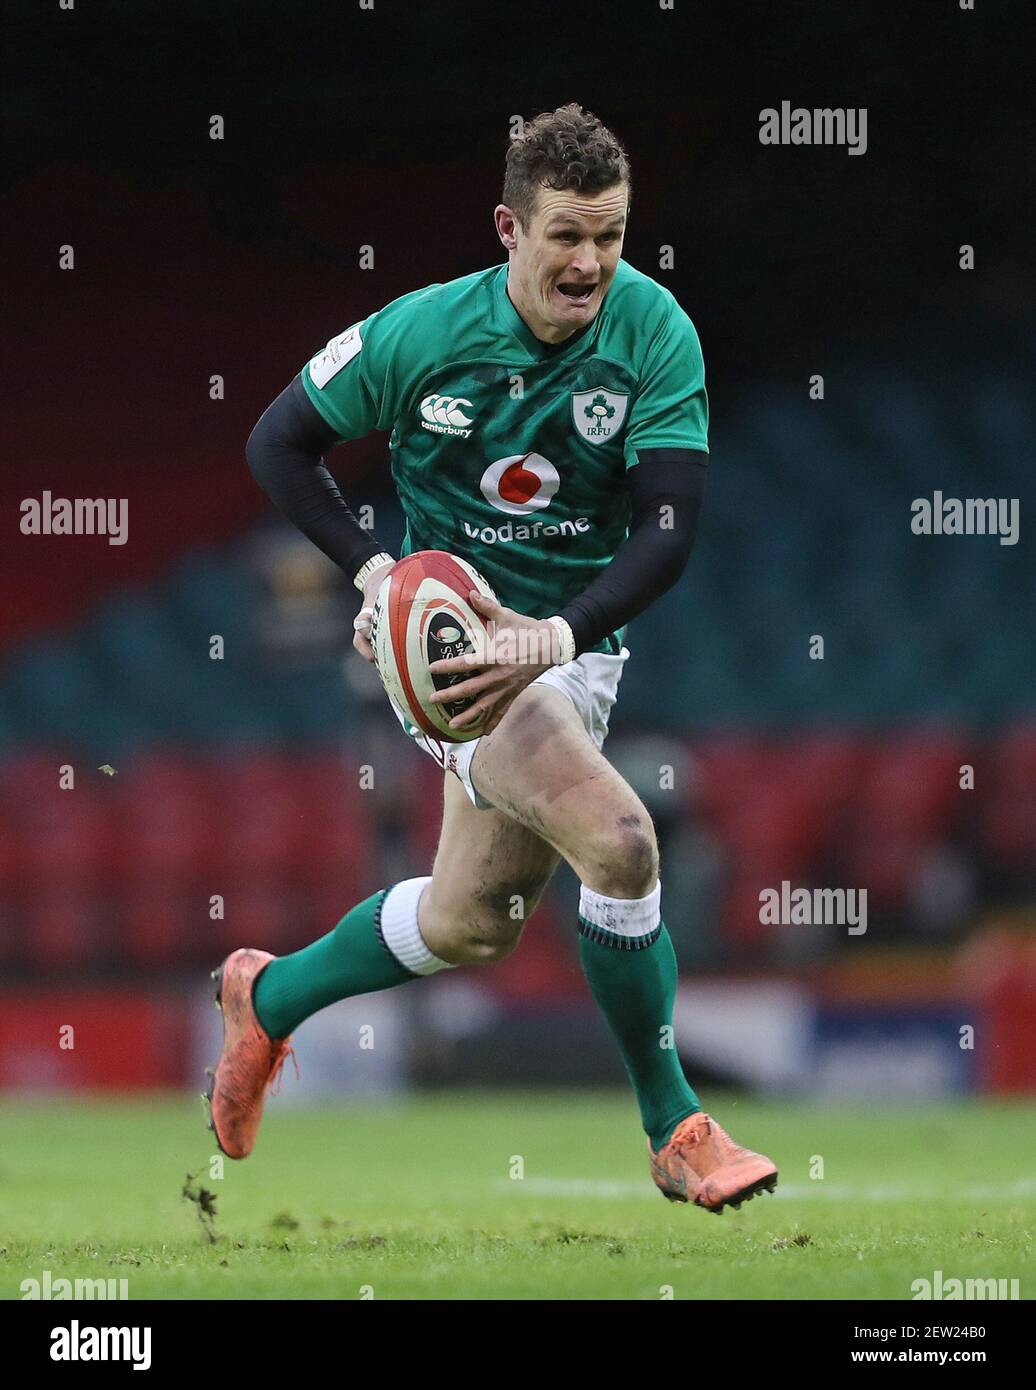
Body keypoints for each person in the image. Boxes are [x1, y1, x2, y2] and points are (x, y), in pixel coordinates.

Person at [206, 103, 777, 1213]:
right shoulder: (422, 332)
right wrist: (377, 575)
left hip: (573, 648)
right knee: (618, 840)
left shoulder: (656, 331)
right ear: (508, 228)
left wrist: (559, 636)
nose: (589, 262)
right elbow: (278, 442)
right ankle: (677, 1127)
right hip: (455, 649)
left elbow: (669, 527)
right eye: (566, 235)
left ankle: (269, 999)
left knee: (476, 917)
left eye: (609, 236)